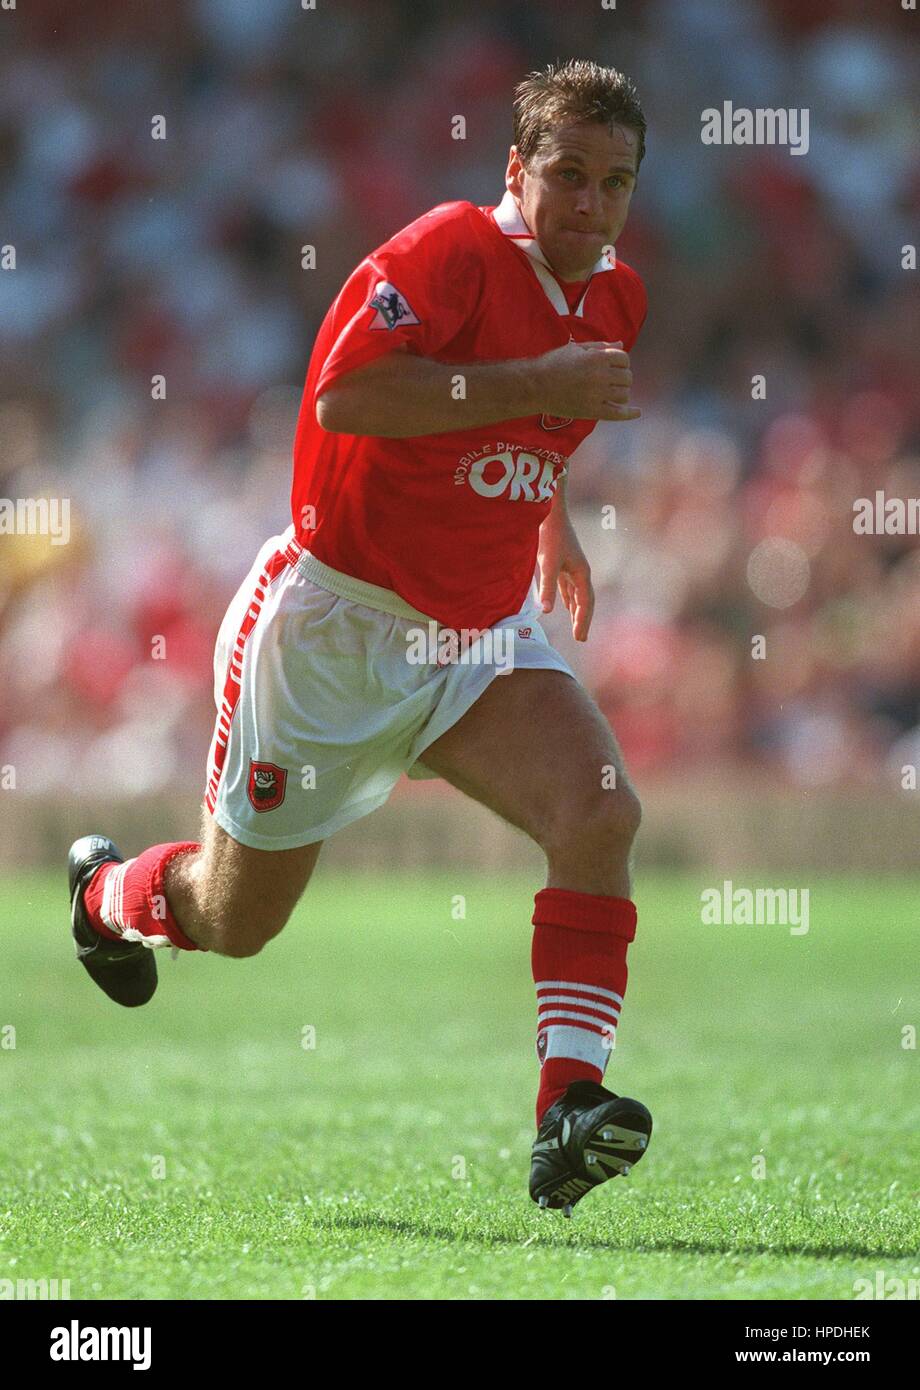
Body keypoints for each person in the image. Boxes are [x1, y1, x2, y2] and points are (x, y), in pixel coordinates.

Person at [69, 59, 652, 1216]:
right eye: (567, 175)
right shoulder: (448, 249)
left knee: (599, 813)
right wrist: (531, 379)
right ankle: (106, 899)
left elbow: (534, 427)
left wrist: (554, 525)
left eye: (615, 182)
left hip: (477, 630)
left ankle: (567, 1106)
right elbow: (348, 395)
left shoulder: (615, 296)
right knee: (236, 924)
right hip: (334, 626)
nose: (590, 204)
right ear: (514, 172)